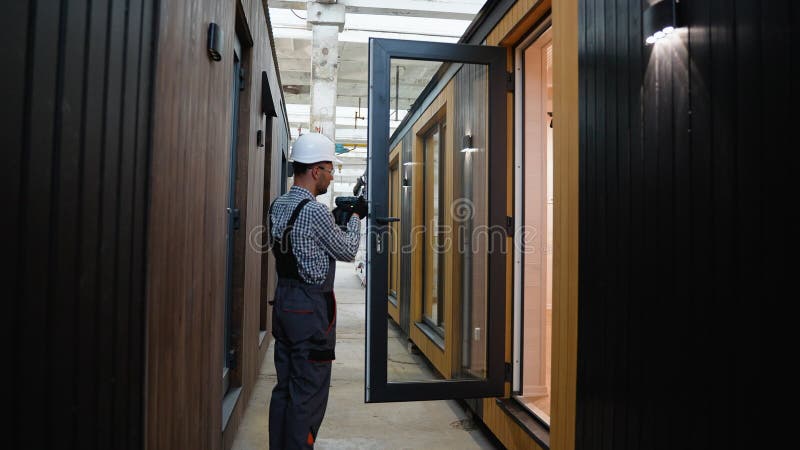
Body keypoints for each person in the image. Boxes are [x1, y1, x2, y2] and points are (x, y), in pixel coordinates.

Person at [267, 132, 367, 449]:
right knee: (307, 393)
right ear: (315, 170)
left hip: (284, 303)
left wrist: (334, 223)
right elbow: (349, 251)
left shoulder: (277, 205)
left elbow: (305, 244)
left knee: (285, 387)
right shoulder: (314, 211)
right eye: (329, 168)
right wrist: (353, 217)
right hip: (310, 311)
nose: (331, 175)